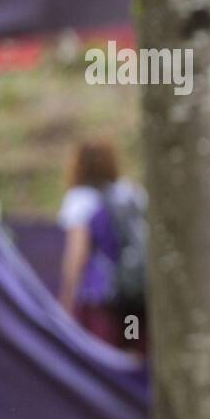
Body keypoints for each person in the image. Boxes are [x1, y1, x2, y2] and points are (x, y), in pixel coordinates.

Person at [58, 140, 148, 349]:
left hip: (100, 296)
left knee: (102, 358)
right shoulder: (131, 193)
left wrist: (67, 297)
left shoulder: (80, 200)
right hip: (135, 292)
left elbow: (76, 254)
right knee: (135, 352)